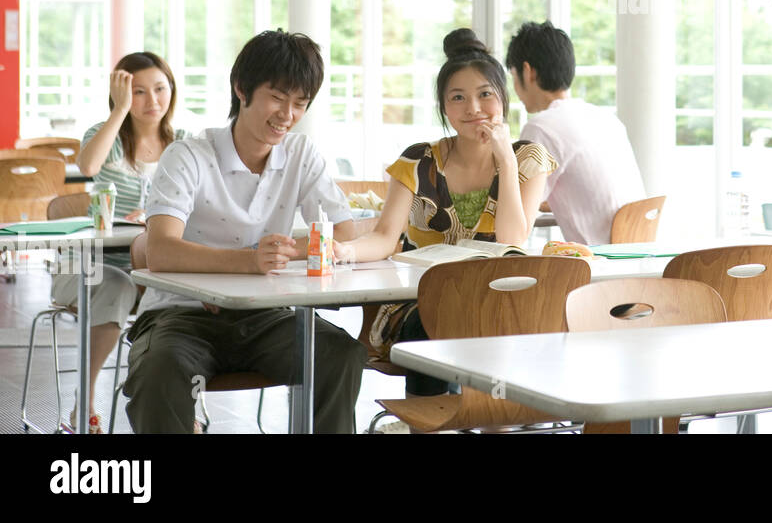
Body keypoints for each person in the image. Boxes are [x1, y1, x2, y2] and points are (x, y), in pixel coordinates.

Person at [123, 30, 365, 434]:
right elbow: (161, 251)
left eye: (300, 103)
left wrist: (284, 252)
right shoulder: (188, 156)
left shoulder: (301, 155)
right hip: (180, 315)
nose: (287, 114)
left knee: (339, 353)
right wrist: (249, 261)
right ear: (241, 89)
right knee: (159, 369)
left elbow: (343, 234)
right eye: (277, 97)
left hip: (264, 316)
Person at [337, 29, 556, 393]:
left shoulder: (528, 159)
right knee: (439, 320)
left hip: (499, 302)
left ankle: (496, 418)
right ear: (444, 108)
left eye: (485, 94)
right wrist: (344, 251)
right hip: (423, 304)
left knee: (523, 323)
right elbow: (383, 238)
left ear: (503, 99)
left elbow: (513, 238)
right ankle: (432, 420)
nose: (473, 108)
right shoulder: (417, 161)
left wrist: (504, 157)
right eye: (458, 97)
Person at [50, 52, 184, 433]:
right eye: (138, 92)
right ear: (121, 95)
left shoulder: (183, 144)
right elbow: (89, 167)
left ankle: (180, 406)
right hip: (86, 267)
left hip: (153, 269)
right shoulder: (103, 135)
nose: (152, 100)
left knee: (188, 296)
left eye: (160, 89)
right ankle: (86, 400)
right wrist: (119, 111)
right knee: (117, 285)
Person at [504, 21, 645, 245]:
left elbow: (517, 212)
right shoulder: (606, 118)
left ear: (527, 71)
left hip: (597, 266)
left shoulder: (541, 128)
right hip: (636, 256)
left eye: (513, 75)